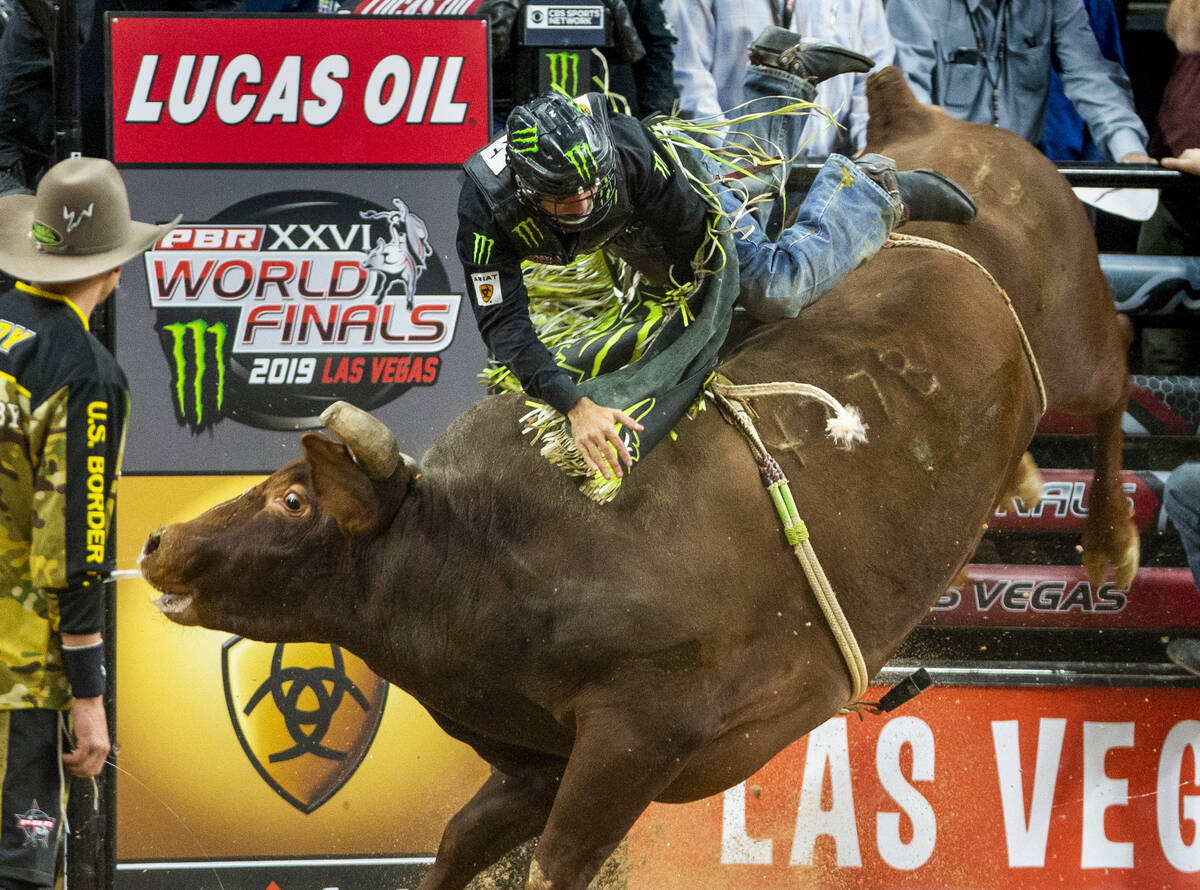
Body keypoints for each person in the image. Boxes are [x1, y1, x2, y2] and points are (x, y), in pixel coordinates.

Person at [457, 30, 977, 481]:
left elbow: (698, 240)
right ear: (528, 191)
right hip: (626, 236)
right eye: (568, 199)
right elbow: (503, 322)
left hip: (679, 190)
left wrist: (699, 318)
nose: (585, 200)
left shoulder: (629, 156)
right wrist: (575, 404)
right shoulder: (486, 213)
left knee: (771, 287)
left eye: (592, 186)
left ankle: (871, 191)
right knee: (753, 191)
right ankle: (781, 75)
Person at [0, 157, 178, 889]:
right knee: (20, 868)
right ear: (112, 268)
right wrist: (89, 695)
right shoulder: (85, 372)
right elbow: (76, 544)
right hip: (20, 671)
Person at [885, 0, 1155, 165]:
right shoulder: (914, 2)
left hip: (1023, 170)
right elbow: (908, 86)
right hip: (945, 169)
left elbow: (1091, 75)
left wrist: (1128, 151)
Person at [662, 0, 895, 158]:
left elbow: (873, 79)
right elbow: (688, 75)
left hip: (831, 169)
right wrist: (733, 155)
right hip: (731, 171)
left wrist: (869, 150)